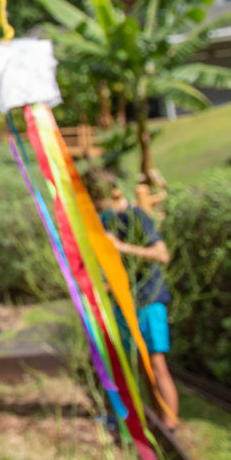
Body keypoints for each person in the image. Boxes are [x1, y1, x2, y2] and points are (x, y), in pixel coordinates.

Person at [87, 169, 180, 429]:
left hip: (148, 299)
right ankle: (159, 422)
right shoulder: (108, 222)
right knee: (141, 365)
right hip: (126, 300)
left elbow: (162, 254)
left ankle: (170, 427)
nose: (98, 208)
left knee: (156, 363)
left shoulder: (136, 216)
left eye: (101, 202)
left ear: (116, 194)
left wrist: (122, 247)